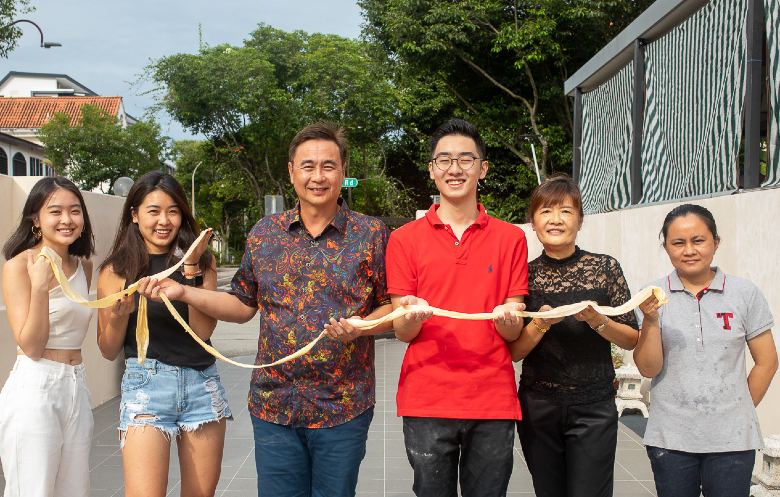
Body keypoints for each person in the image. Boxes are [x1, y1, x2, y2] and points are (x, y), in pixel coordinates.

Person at [142, 122, 393, 497]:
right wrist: (184, 292)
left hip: (343, 406)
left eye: (328, 166)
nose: (318, 176)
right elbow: (243, 304)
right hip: (274, 405)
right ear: (291, 171)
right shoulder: (265, 232)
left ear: (343, 172)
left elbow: (392, 306)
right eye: (308, 166)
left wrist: (361, 327)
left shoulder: (371, 234)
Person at [385, 118, 529, 497]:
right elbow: (403, 331)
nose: (455, 169)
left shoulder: (511, 238)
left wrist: (509, 320)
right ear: (432, 170)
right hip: (427, 397)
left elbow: (512, 332)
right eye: (444, 160)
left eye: (466, 160)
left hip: (492, 398)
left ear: (482, 169)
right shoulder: (403, 240)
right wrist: (411, 316)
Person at [96, 171, 230, 497]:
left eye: (173, 211)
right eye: (153, 211)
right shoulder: (117, 270)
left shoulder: (200, 263)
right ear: (134, 214)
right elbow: (107, 349)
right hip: (146, 388)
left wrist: (192, 272)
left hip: (202, 386)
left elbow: (203, 330)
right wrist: (117, 317)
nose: (164, 221)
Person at [508, 175, 640, 497]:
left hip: (594, 406)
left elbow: (631, 338)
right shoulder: (523, 275)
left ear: (580, 220)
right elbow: (514, 352)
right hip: (538, 406)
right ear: (533, 221)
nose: (556, 220)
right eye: (545, 211)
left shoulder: (605, 268)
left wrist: (597, 320)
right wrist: (541, 324)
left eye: (566, 211)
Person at [633, 204, 778, 497]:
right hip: (670, 438)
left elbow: (767, 361)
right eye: (678, 243)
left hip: (732, 441)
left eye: (698, 240)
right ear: (666, 247)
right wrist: (651, 319)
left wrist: (739, 408)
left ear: (715, 242)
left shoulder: (744, 294)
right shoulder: (651, 295)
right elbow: (648, 368)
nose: (689, 250)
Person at [0, 176, 96, 497]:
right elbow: (30, 346)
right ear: (36, 219)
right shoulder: (19, 265)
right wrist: (40, 288)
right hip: (35, 387)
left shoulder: (85, 266)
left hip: (76, 386)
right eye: (55, 211)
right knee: (33, 490)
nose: (67, 220)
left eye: (74, 211)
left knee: (74, 490)